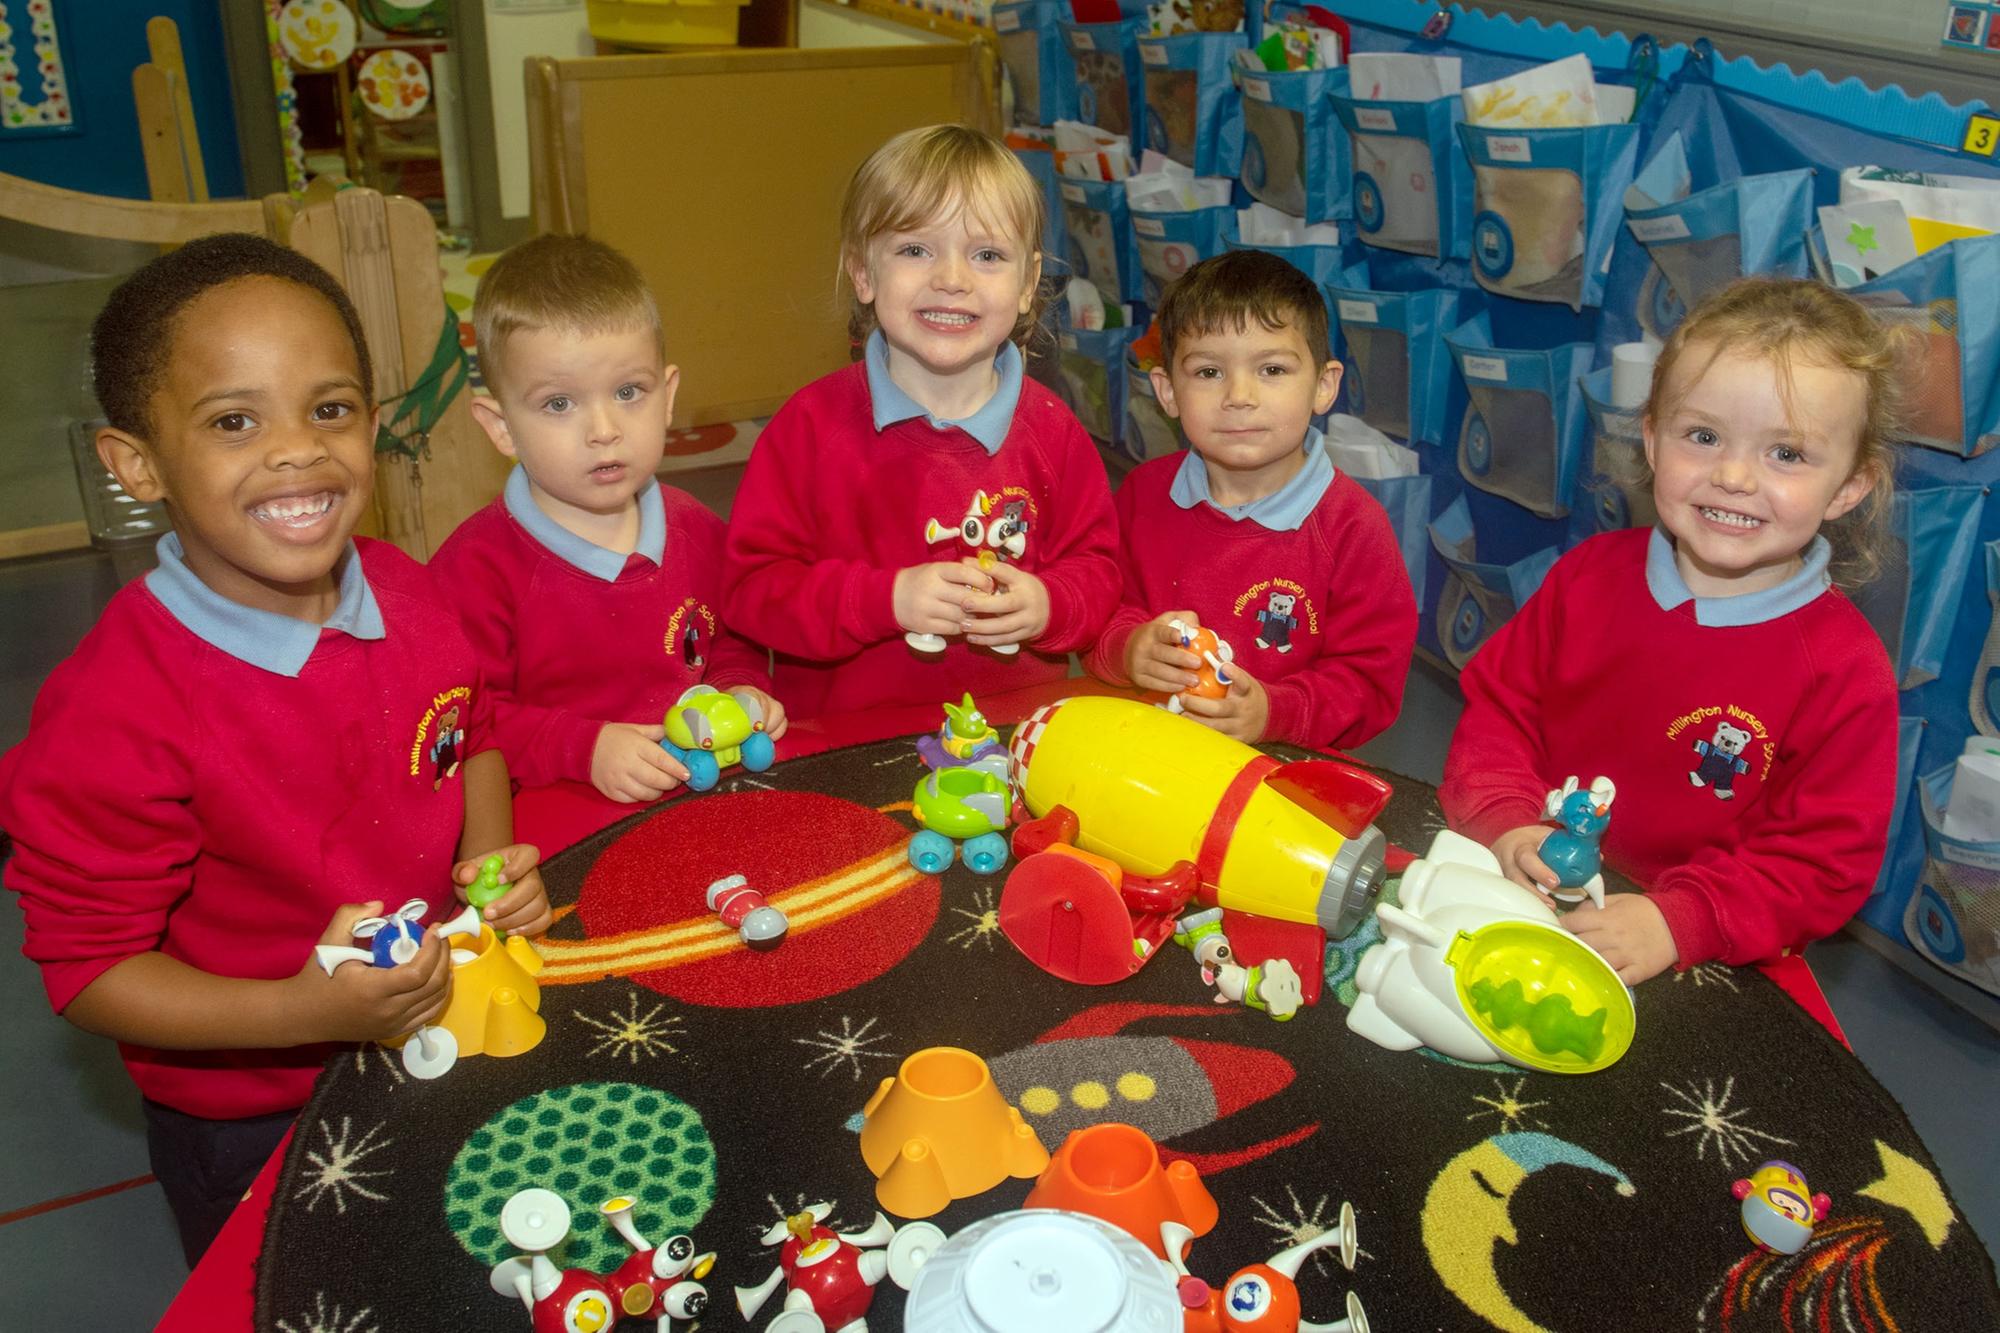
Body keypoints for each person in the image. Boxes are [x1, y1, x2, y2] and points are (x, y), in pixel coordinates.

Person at [0, 235, 552, 1264]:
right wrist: (304, 1010)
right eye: (233, 421)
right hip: (250, 1107)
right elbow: (91, 971)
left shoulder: (415, 594)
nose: (297, 449)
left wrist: (484, 871)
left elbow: (471, 738)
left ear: (374, 427)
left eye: (329, 408)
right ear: (136, 464)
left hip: (437, 1024)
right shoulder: (116, 710)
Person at [1440, 277, 1903, 986]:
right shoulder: (1586, 577)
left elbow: (1822, 863)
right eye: (1704, 435)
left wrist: (1680, 918)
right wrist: (1506, 821)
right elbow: (1501, 716)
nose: (1735, 475)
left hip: (1714, 945)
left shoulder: (1844, 669)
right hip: (1529, 886)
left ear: (1848, 486)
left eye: (1788, 453)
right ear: (1653, 440)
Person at [723, 124, 1120, 718]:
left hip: (1014, 742)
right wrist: (884, 600)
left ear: (1027, 284)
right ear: (863, 273)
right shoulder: (808, 428)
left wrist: (1049, 605)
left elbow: (1100, 572)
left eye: (987, 255)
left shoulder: (1053, 431)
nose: (952, 279)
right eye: (915, 250)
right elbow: (750, 592)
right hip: (845, 745)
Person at [430, 234, 782, 804]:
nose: (603, 429)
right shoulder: (472, 571)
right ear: (500, 427)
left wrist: (741, 691)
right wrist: (584, 749)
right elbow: (466, 726)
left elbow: (731, 642)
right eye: (559, 403)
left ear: (667, 397)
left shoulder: (697, 529)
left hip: (707, 796)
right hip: (560, 816)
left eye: (627, 391)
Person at [1084, 250, 1416, 746]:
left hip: (1280, 771)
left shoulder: (1353, 526)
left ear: (1323, 387)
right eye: (1208, 373)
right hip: (1150, 753)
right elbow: (1100, 607)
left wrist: (1273, 713)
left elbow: (1369, 684)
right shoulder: (1142, 496)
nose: (1239, 395)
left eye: (1273, 370)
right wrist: (1129, 647)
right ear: (1168, 390)